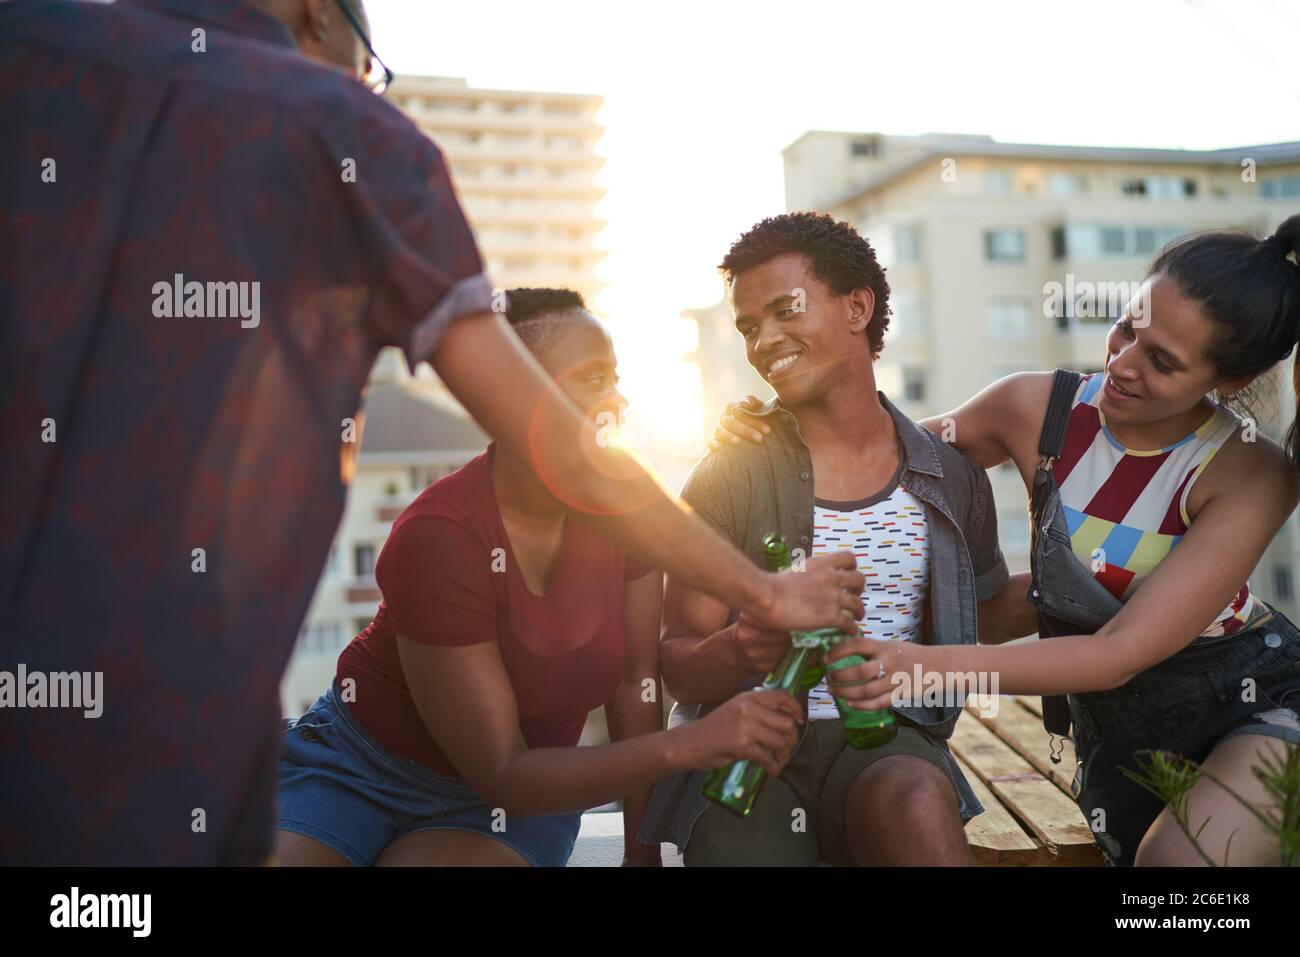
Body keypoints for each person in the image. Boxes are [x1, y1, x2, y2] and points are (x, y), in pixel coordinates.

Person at [0, 0, 862, 865]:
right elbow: (569, 459)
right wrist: (771, 596)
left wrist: (641, 846)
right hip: (233, 736)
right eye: (370, 64)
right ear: (314, 15)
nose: (365, 85)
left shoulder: (26, 45)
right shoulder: (347, 135)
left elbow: (637, 674)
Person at [717, 216, 1300, 866]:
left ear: (1228, 379)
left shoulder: (1252, 471)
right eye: (1127, 328)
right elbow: (884, 446)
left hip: (1252, 706)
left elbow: (1117, 652)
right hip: (1118, 735)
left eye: (1161, 361)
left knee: (1177, 868)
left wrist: (920, 666)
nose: (1121, 364)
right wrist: (775, 423)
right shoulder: (1036, 407)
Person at [276, 289, 805, 867]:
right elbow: (502, 769)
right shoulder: (439, 533)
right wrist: (696, 743)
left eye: (615, 377)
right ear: (517, 398)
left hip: (523, 798)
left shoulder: (627, 503)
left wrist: (641, 853)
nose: (619, 399)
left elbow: (636, 683)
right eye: (594, 379)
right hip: (360, 769)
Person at [638, 213, 1024, 867]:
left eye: (784, 309)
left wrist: (1105, 581)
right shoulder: (732, 470)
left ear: (857, 306)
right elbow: (675, 661)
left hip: (885, 737)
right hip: (748, 742)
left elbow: (981, 615)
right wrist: (741, 644)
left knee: (917, 805)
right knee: (745, 848)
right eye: (749, 326)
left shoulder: (948, 474)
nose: (764, 341)